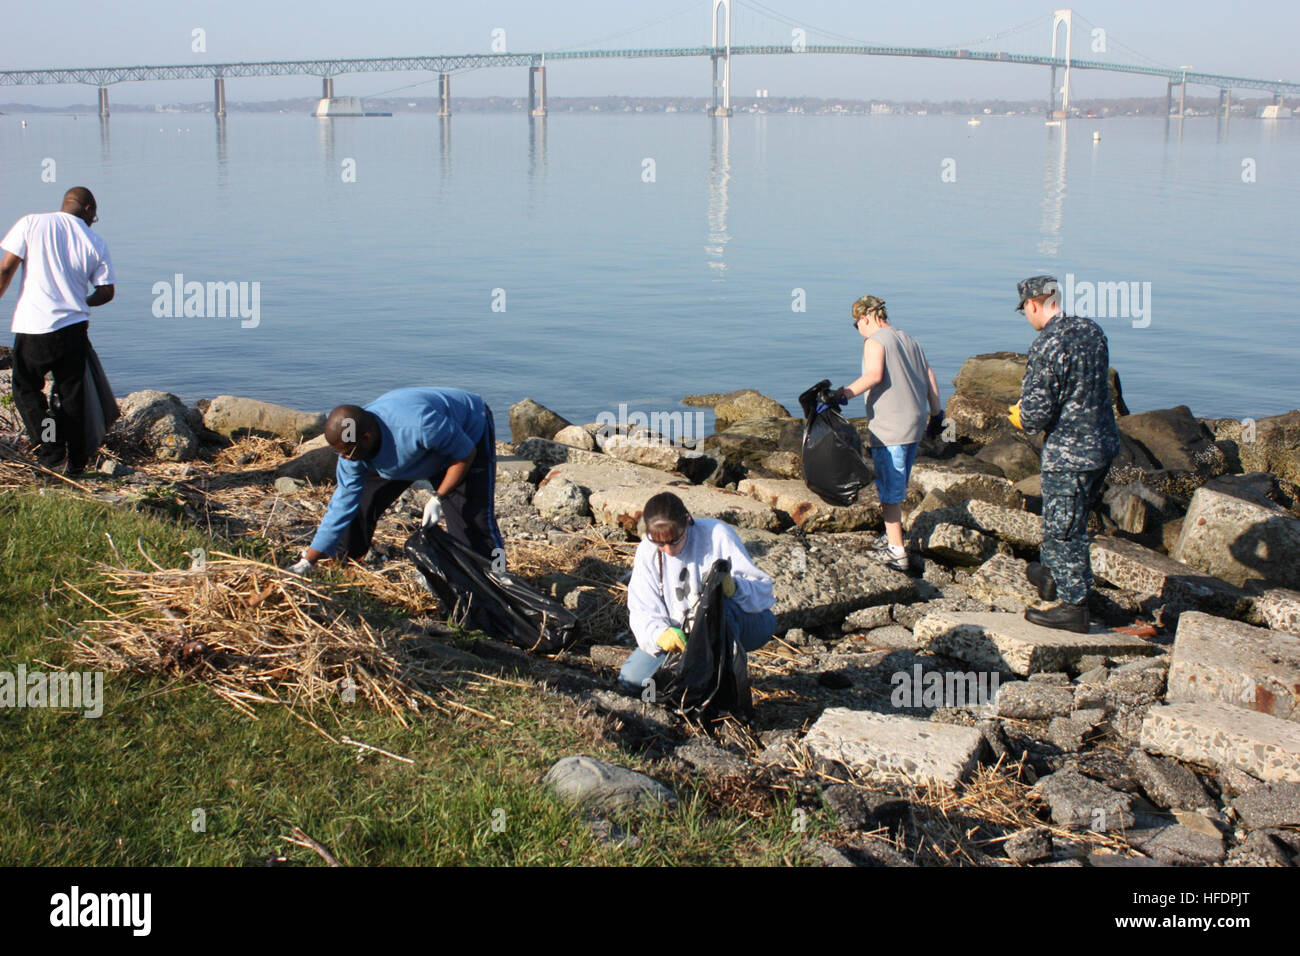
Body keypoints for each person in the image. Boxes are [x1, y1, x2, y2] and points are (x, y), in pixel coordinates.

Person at [288, 387, 504, 575]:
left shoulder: (419, 424)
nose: (345, 459)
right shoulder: (351, 446)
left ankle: (499, 576)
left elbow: (466, 453)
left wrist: (438, 497)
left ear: (366, 438)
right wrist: (308, 560)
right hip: (405, 452)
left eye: (347, 453)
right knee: (360, 505)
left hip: (464, 436)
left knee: (474, 522)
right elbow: (341, 506)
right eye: (339, 453)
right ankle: (341, 562)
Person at [1010, 275, 1120, 633]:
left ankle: (1074, 607)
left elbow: (1035, 415)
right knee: (1076, 516)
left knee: (1063, 529)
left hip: (1070, 453)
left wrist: (1019, 415)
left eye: (1025, 310)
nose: (1027, 317)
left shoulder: (1046, 345)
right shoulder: (1092, 331)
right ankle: (1052, 575)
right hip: (1103, 442)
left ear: (1033, 305)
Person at [0, 187, 115, 474]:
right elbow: (106, 292)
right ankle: (77, 462)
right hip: (73, 329)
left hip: (34, 328)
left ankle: (52, 453)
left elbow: (5, 270)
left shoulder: (31, 223)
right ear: (89, 209)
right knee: (72, 396)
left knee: (27, 390)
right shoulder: (94, 241)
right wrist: (81, 301)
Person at [825, 295, 943, 572]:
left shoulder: (874, 341)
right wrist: (937, 414)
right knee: (897, 483)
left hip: (890, 427)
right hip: (914, 423)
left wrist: (841, 395)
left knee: (890, 492)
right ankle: (893, 538)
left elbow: (874, 375)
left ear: (865, 318)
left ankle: (897, 552)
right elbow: (929, 377)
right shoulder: (909, 339)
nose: (859, 332)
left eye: (857, 326)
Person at [621, 492, 776, 694]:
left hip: (737, 624)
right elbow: (641, 608)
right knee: (633, 681)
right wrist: (659, 633)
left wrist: (736, 587)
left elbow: (763, 592)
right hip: (683, 635)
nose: (668, 550)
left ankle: (723, 686)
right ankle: (694, 677)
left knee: (721, 609)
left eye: (675, 541)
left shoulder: (717, 534)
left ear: (687, 522)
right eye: (660, 544)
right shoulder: (647, 551)